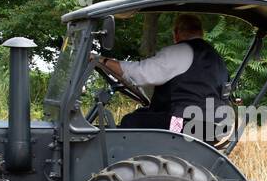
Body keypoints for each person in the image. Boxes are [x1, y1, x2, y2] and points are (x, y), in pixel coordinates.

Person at [98, 13, 230, 137]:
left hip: (183, 124)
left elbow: (140, 73)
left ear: (176, 33)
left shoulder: (180, 51)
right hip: (214, 125)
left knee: (131, 121)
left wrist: (103, 61)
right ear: (201, 33)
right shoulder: (216, 58)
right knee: (142, 115)